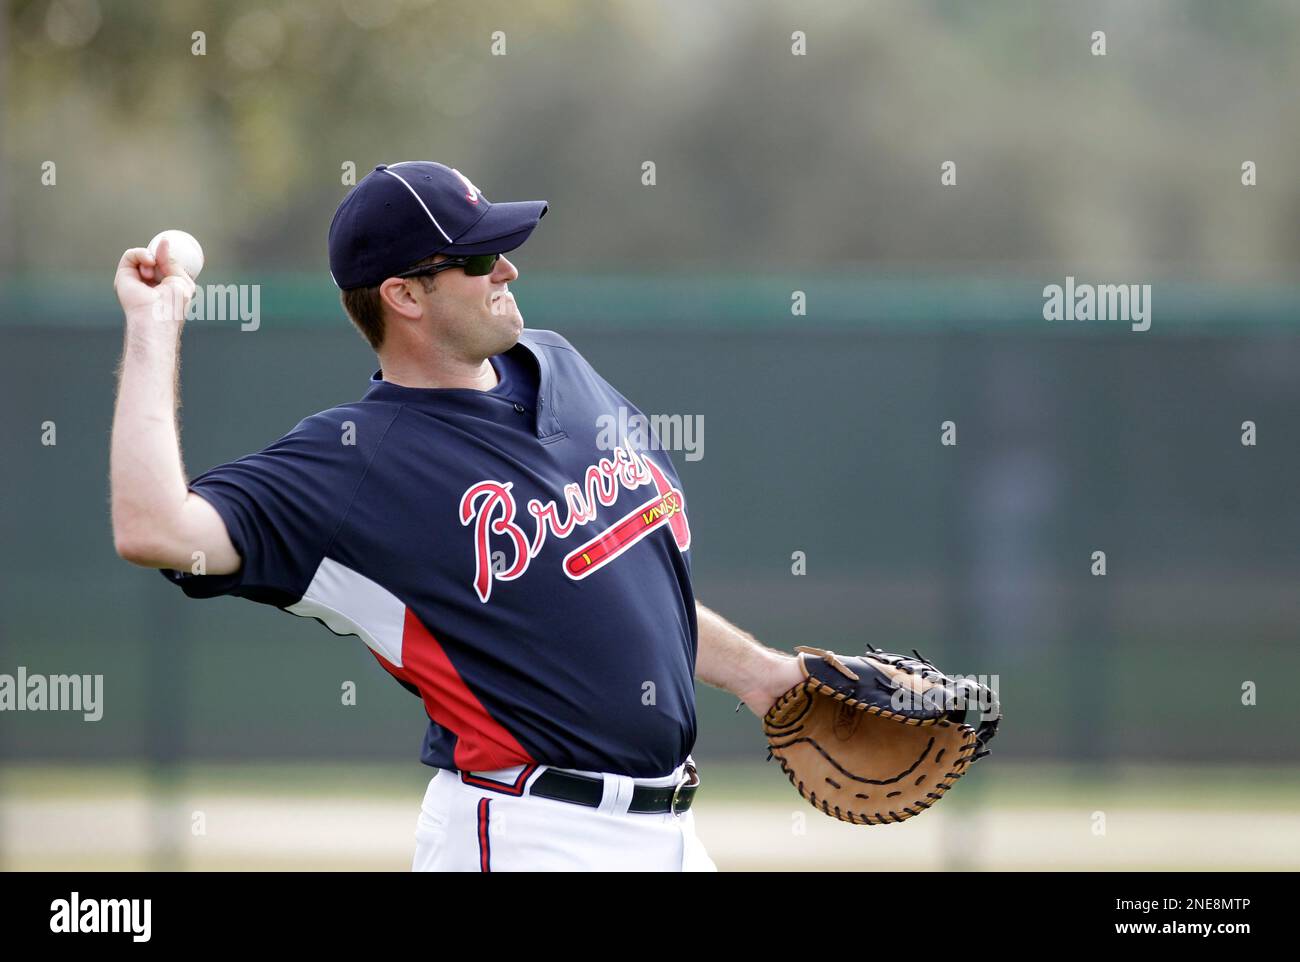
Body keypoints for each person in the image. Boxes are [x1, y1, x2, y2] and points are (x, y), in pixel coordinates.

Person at [110, 161, 803, 871]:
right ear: (404, 294)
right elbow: (154, 528)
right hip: (532, 833)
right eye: (477, 257)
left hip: (676, 832)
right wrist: (154, 323)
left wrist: (761, 673)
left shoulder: (561, 367)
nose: (506, 269)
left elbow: (622, 594)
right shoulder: (355, 464)